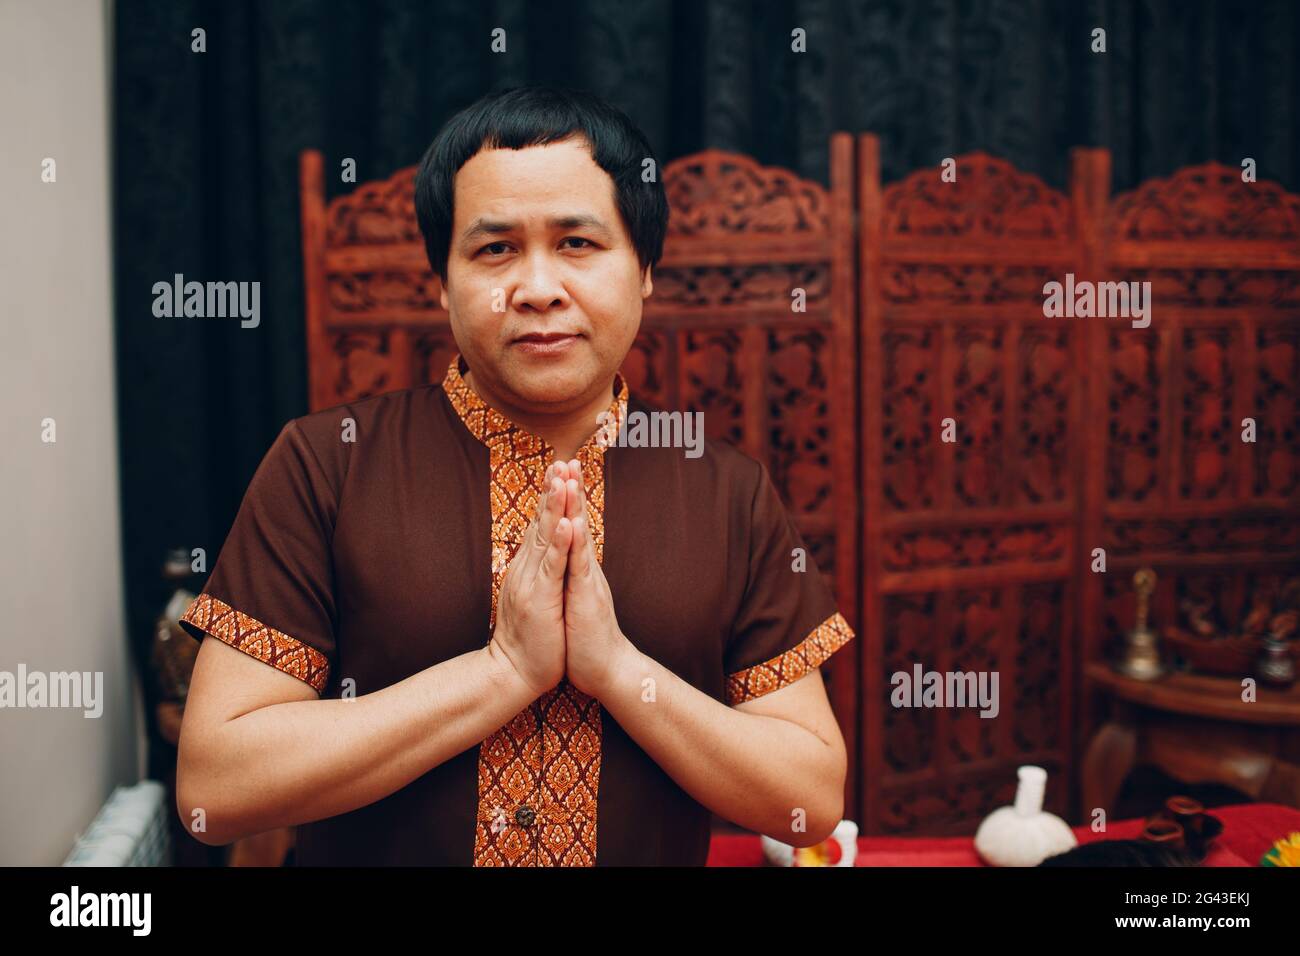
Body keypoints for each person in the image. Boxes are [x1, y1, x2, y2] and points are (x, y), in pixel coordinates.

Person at [176, 85, 855, 866]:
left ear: (644, 270)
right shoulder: (327, 463)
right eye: (495, 248)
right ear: (442, 279)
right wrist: (502, 674)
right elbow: (213, 789)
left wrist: (618, 671)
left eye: (577, 243)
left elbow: (808, 800)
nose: (536, 287)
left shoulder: (726, 491)